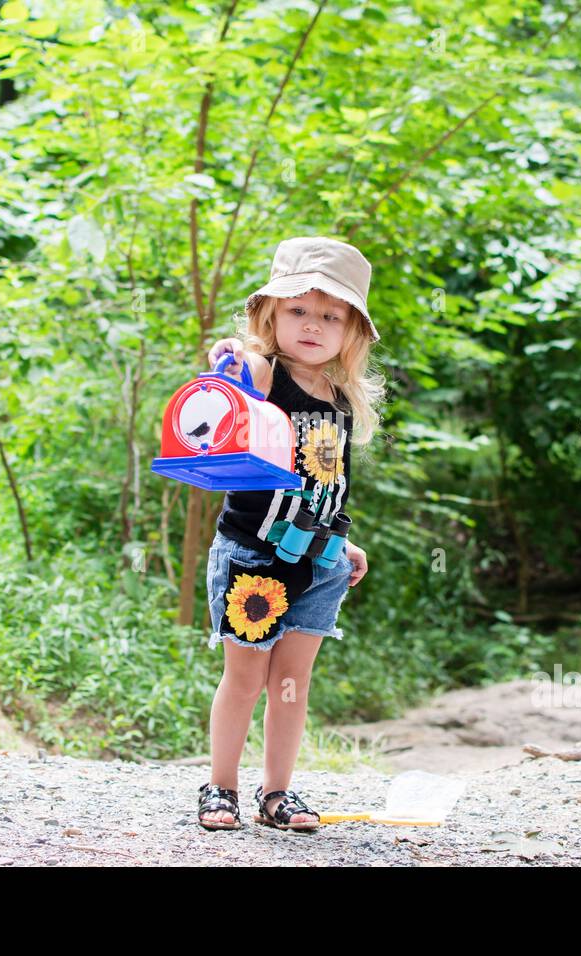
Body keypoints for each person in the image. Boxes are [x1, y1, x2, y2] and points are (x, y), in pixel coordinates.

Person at [196, 236, 386, 833]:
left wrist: (342, 539)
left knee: (290, 682)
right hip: (254, 556)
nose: (312, 325)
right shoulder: (263, 374)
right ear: (270, 316)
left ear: (350, 331)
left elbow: (325, 483)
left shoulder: (339, 399)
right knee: (247, 676)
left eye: (331, 315)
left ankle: (277, 792)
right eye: (297, 310)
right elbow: (231, 369)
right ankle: (220, 786)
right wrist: (228, 355)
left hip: (321, 563)